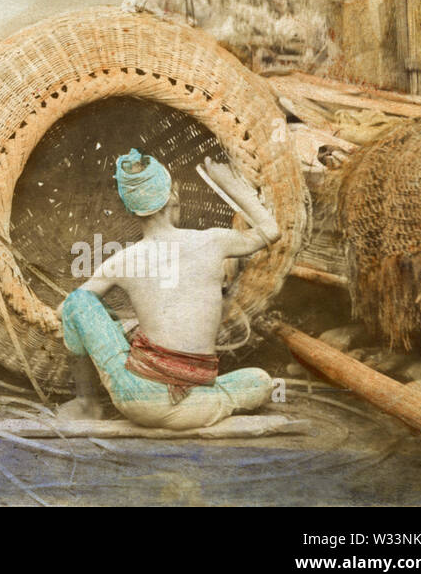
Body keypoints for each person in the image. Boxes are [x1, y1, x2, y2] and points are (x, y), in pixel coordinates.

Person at [57, 150, 278, 430]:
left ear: (129, 209)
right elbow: (269, 231)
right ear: (173, 196)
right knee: (260, 380)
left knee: (79, 300)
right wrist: (230, 184)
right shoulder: (213, 241)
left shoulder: (123, 260)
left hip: (142, 402)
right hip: (200, 401)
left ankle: (88, 405)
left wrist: (117, 327)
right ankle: (210, 406)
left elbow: (67, 310)